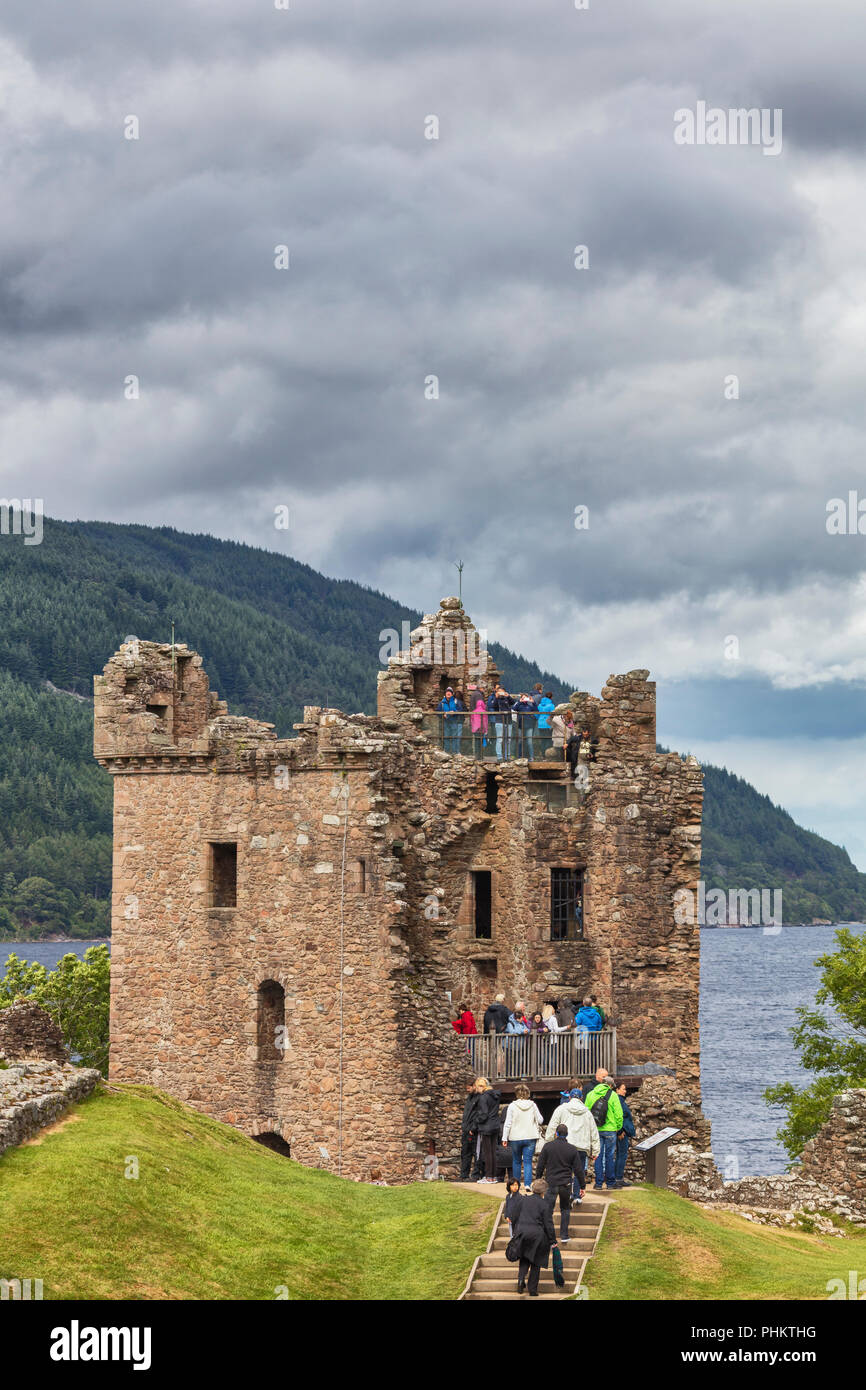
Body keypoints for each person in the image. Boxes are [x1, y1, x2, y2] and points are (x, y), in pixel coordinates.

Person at [544, 1086, 600, 1204]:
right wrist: (595, 1150)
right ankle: (577, 1196)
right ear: (581, 1098)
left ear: (569, 1097)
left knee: (567, 1170)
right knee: (579, 1170)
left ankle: (568, 1194)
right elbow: (593, 1131)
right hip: (581, 1145)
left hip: (566, 1145)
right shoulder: (587, 1112)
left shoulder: (561, 1109)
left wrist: (548, 1142)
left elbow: (553, 1125)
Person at [536, 1123, 587, 1241]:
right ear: (567, 1134)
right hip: (566, 1184)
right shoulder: (572, 1149)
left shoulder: (548, 1147)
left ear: (556, 1133)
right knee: (565, 1209)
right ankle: (564, 1235)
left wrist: (538, 1179)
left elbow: (540, 1165)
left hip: (551, 1183)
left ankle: (548, 1236)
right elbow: (579, 1170)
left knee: (548, 1210)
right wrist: (582, 1186)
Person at [512, 1178, 557, 1297]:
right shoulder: (545, 1205)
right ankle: (532, 1290)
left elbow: (515, 1216)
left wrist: (516, 1232)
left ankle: (521, 1279)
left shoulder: (523, 1200)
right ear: (544, 1192)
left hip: (522, 1232)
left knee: (524, 1258)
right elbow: (548, 1224)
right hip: (537, 1235)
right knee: (536, 1261)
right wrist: (553, 1240)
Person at [584, 1072, 624, 1191]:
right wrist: (618, 1127)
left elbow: (586, 1111)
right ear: (611, 1086)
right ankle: (610, 1183)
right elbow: (619, 1114)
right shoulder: (613, 1095)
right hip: (610, 1130)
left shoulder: (591, 1094)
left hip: (596, 1129)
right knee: (609, 1156)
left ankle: (599, 1183)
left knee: (598, 1156)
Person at [501, 1084, 544, 1190]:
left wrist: (504, 1138)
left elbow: (508, 1123)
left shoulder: (512, 1106)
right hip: (530, 1136)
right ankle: (528, 1184)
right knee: (528, 1161)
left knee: (516, 1161)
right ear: (528, 1093)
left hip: (515, 1137)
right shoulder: (533, 1105)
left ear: (516, 1094)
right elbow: (540, 1120)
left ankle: (516, 1185)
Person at [473, 1077, 503, 1183]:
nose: (476, 1090)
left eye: (477, 1087)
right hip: (495, 1125)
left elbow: (484, 1114)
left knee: (487, 1152)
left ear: (481, 1086)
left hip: (486, 1126)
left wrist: (476, 1121)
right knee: (493, 1151)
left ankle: (489, 1176)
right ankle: (494, 1176)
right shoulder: (495, 1095)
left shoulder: (483, 1097)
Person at [614, 1081, 635, 1189]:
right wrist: (620, 1131)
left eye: (625, 1089)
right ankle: (618, 1178)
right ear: (617, 1090)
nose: (625, 1091)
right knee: (622, 1155)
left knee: (620, 1155)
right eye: (623, 1088)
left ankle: (617, 1177)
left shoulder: (620, 1100)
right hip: (622, 1132)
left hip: (623, 1131)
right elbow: (619, 1116)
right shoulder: (619, 1101)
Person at [459, 1080, 480, 1181]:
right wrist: (463, 1127)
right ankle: (464, 1175)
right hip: (466, 1129)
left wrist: (473, 1128)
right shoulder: (469, 1098)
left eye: (469, 1088)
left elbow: (477, 1115)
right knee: (465, 1153)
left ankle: (475, 1175)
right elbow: (466, 1115)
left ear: (474, 1086)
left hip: (473, 1130)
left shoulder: (478, 1098)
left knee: (475, 1153)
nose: (468, 1090)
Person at [487, 685, 514, 759]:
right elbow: (493, 706)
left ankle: (507, 756)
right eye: (499, 691)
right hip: (499, 721)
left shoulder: (507, 698)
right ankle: (499, 756)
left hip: (508, 721)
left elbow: (513, 703)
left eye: (502, 691)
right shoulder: (496, 699)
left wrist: (508, 696)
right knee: (500, 739)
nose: (501, 693)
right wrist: (496, 697)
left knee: (508, 739)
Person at [437, 686, 464, 753]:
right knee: (446, 737)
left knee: (454, 737)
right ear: (445, 693)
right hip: (446, 722)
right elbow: (437, 712)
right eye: (447, 692)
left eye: (450, 692)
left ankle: (454, 752)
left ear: (452, 694)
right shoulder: (442, 703)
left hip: (454, 722)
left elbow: (461, 711)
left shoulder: (456, 701)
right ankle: (447, 752)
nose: (448, 693)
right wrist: (443, 715)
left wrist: (454, 713)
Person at [513, 692, 538, 760]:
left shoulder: (529, 705)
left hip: (529, 725)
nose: (524, 699)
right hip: (520, 725)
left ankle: (531, 757)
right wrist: (519, 701)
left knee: (529, 742)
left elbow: (536, 710)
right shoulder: (519, 705)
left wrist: (533, 702)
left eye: (526, 697)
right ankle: (519, 756)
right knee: (520, 741)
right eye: (523, 697)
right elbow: (514, 708)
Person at [467, 683, 489, 756]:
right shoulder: (479, 695)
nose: (485, 690)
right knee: (479, 739)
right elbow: (480, 706)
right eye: (484, 688)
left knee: (477, 738)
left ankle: (478, 754)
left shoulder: (474, 694)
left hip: (475, 720)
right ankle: (479, 755)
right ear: (481, 688)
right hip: (479, 720)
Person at [536, 690, 555, 757]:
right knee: (549, 740)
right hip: (548, 724)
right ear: (551, 697)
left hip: (540, 725)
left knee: (542, 740)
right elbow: (553, 715)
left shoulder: (539, 705)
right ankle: (548, 755)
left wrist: (539, 719)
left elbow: (536, 715)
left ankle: (543, 755)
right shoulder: (551, 705)